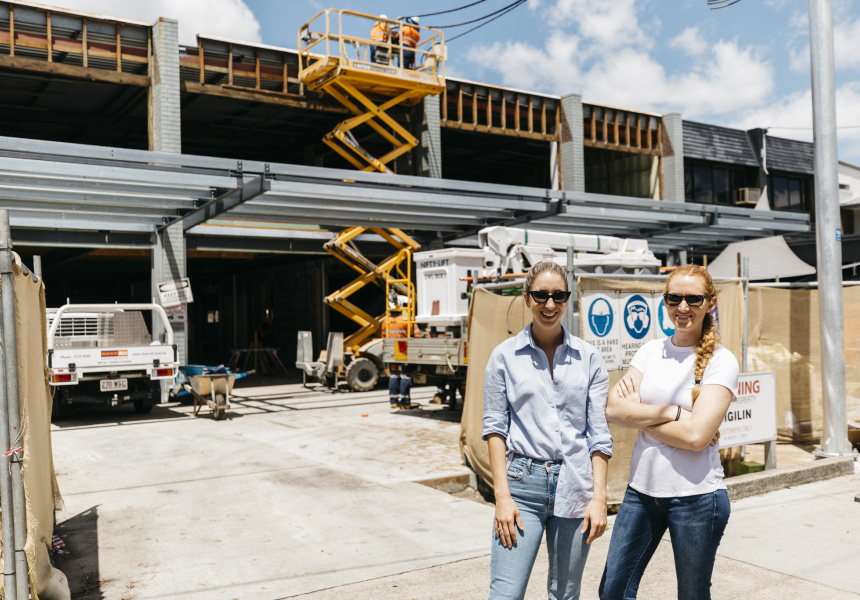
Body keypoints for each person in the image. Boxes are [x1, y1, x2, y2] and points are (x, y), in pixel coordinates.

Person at [599, 264, 739, 600]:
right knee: (612, 591)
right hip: (641, 493)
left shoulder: (722, 361)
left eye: (693, 299)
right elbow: (613, 410)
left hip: (697, 499)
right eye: (674, 298)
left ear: (711, 302)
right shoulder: (650, 351)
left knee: (691, 595)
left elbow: (696, 438)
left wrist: (641, 416)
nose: (683, 307)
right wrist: (675, 413)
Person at [483, 260, 612, 600]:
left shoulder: (589, 358)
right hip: (522, 485)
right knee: (505, 594)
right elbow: (494, 428)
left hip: (575, 481)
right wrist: (502, 497)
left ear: (567, 300)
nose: (549, 304)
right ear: (527, 298)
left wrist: (599, 498)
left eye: (558, 295)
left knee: (565, 594)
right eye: (541, 295)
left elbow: (599, 435)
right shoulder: (503, 357)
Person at [382, 308, 420, 410]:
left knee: (394, 375)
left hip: (391, 350)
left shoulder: (386, 320)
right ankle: (405, 402)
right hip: (404, 349)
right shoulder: (407, 319)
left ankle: (394, 402)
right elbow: (418, 336)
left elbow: (384, 336)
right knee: (405, 375)